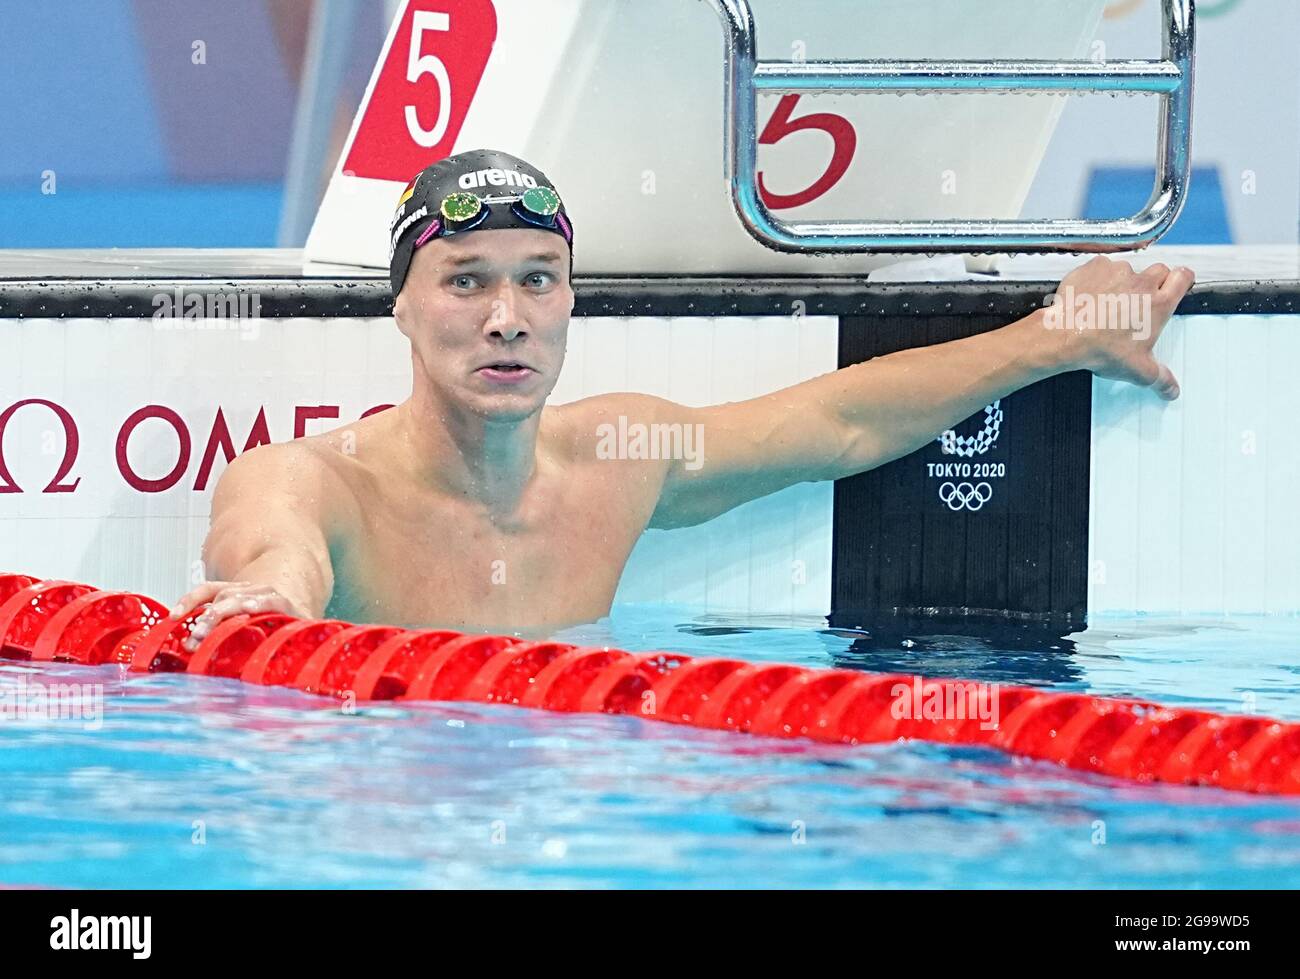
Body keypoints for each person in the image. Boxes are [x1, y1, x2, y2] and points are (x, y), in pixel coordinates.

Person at [170, 148, 1193, 646]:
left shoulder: (615, 458)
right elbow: (274, 553)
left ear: (569, 299)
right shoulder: (310, 481)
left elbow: (839, 421)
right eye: (466, 279)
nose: (506, 317)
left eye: (537, 278)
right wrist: (280, 601)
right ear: (402, 306)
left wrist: (1052, 338)